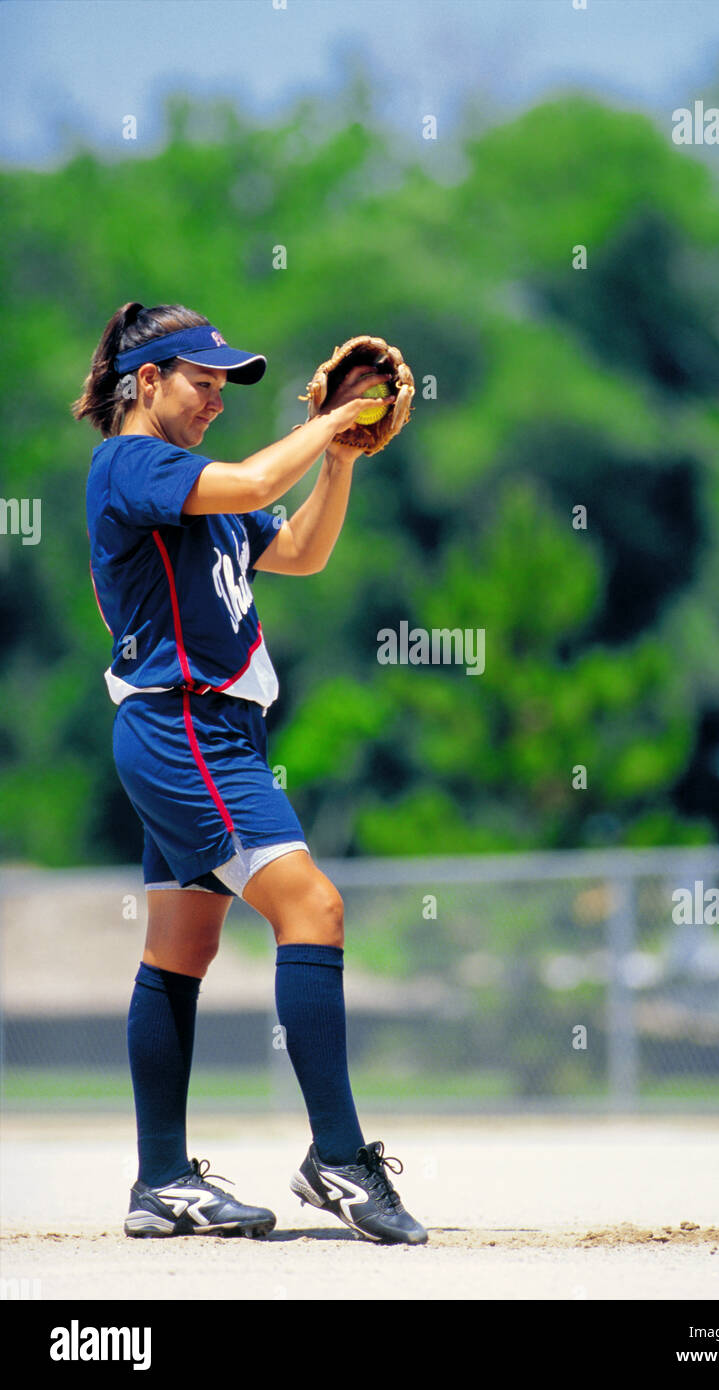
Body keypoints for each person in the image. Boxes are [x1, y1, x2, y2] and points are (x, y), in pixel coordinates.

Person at [73, 301, 427, 1245]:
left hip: (202, 730)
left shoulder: (198, 490)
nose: (216, 400)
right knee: (314, 909)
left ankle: (161, 1182)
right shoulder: (133, 463)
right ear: (146, 383)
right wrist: (327, 423)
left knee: (180, 953)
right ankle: (339, 1159)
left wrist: (341, 458)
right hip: (183, 725)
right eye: (203, 382)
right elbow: (261, 473)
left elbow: (303, 550)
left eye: (226, 388)